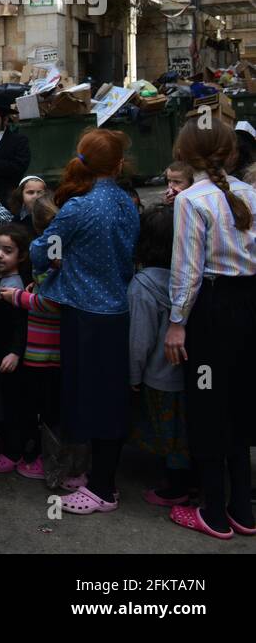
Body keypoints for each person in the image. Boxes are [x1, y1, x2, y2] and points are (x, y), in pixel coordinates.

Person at [30, 128, 139, 516]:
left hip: (85, 314)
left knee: (92, 399)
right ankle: (99, 477)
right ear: (120, 164)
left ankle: (103, 488)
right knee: (107, 397)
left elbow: (42, 252)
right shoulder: (126, 202)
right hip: (115, 309)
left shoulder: (79, 208)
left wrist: (54, 253)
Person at [163, 118, 256, 540]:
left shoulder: (191, 201)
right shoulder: (251, 193)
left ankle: (214, 512)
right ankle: (242, 509)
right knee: (240, 403)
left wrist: (177, 324)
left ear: (185, 154)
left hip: (211, 311)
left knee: (207, 405)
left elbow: (186, 271)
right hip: (248, 306)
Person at [128, 205, 192, 509]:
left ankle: (176, 487)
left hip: (158, 375)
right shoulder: (192, 274)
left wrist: (134, 376)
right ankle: (191, 478)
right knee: (186, 430)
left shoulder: (143, 285)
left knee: (170, 435)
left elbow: (140, 339)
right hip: (189, 373)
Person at [0, 193, 65, 484]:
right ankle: (32, 454)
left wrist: (19, 298)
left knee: (42, 408)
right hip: (41, 350)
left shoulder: (53, 264)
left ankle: (39, 457)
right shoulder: (53, 260)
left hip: (44, 350)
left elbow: (50, 302)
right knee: (38, 405)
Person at [0, 224, 32, 473]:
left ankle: (14, 452)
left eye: (7, 250)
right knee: (2, 399)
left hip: (9, 355)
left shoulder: (16, 286)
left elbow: (20, 324)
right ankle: (2, 439)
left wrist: (15, 352)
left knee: (14, 404)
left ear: (21, 256)